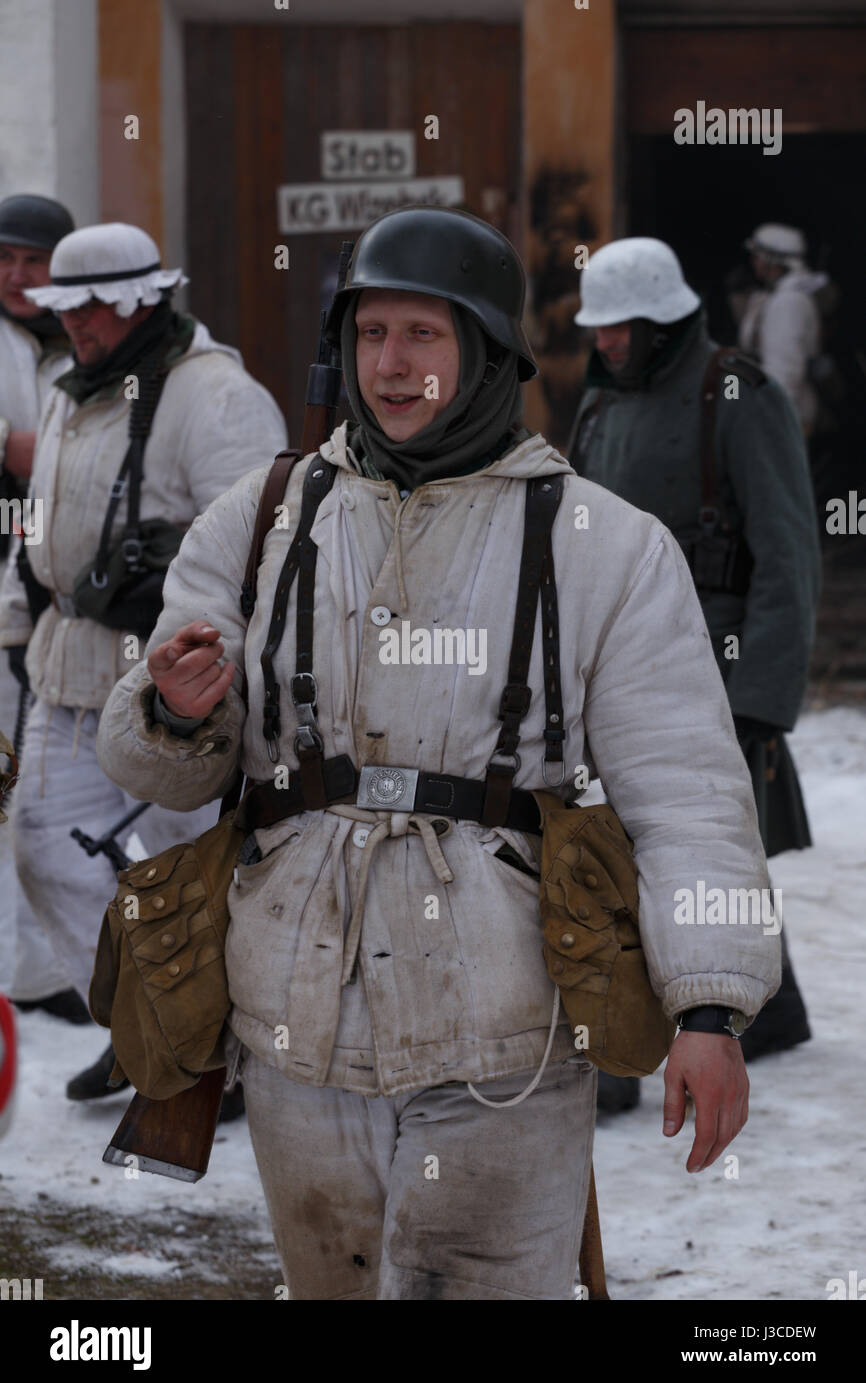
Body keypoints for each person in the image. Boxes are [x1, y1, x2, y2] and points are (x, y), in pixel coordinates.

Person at [98, 207, 778, 1302]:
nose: (391, 365)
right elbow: (163, 774)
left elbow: (690, 796)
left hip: (503, 1031)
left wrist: (708, 1006)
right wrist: (174, 712)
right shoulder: (261, 515)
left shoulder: (603, 544)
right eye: (370, 334)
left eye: (423, 333)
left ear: (485, 352)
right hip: (294, 1025)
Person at [0, 222, 287, 1100]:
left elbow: (264, 548)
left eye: (90, 307)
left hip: (180, 683)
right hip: (65, 664)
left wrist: (218, 676)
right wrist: (21, 617)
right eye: (67, 308)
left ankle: (210, 1058)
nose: (76, 324)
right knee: (46, 849)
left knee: (186, 868)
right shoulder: (67, 388)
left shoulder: (218, 396)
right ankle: (149, 1023)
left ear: (140, 301)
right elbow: (42, 521)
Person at [569, 236, 819, 1111]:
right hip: (609, 661)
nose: (602, 344)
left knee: (677, 843)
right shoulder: (599, 408)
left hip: (716, 667)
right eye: (596, 328)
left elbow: (790, 554)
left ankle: (623, 1053)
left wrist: (759, 704)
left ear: (662, 323)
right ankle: (770, 1007)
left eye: (618, 329)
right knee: (631, 842)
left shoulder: (739, 393)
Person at [0, 194, 85, 1023]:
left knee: (39, 793)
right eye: (7, 261)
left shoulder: (84, 343)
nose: (19, 277)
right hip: (6, 587)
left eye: (35, 260)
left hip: (58, 596)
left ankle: (40, 969)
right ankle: (27, 969)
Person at [737, 224, 828, 438]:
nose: (754, 262)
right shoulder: (775, 296)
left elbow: (784, 372)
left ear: (774, 261)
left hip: (780, 415)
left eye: (758, 257)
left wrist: (767, 421)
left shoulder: (788, 303)